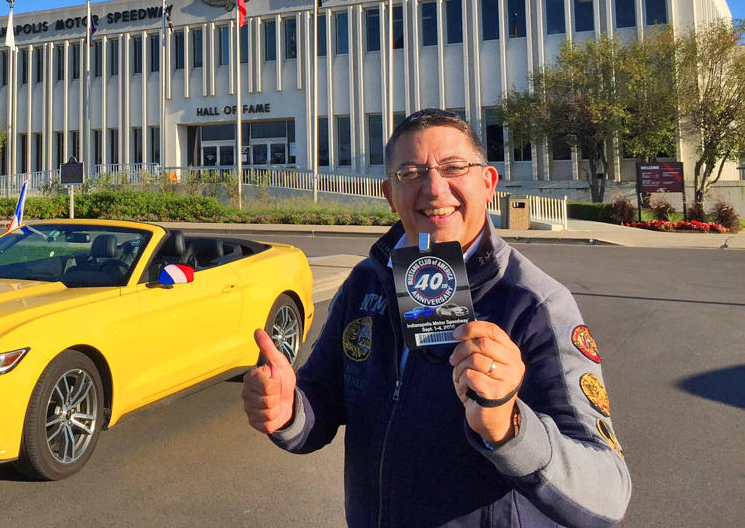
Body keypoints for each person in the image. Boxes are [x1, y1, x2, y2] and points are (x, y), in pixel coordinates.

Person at [242, 108, 631, 527]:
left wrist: (509, 425)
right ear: (390, 194)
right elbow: (322, 396)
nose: (433, 187)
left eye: (453, 168)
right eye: (410, 173)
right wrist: (288, 410)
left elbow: (608, 494)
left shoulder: (534, 304)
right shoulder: (367, 281)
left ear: (487, 183)